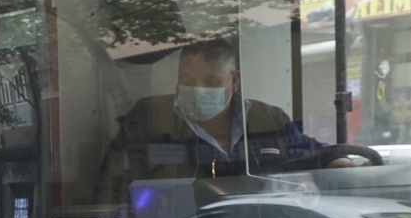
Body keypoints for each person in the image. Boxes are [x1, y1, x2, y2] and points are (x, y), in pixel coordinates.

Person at [93, 38, 308, 203]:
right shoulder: (147, 120)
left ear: (234, 81)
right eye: (187, 81)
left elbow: (313, 157)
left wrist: (337, 162)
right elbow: (109, 190)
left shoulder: (271, 120)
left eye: (210, 81)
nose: (197, 91)